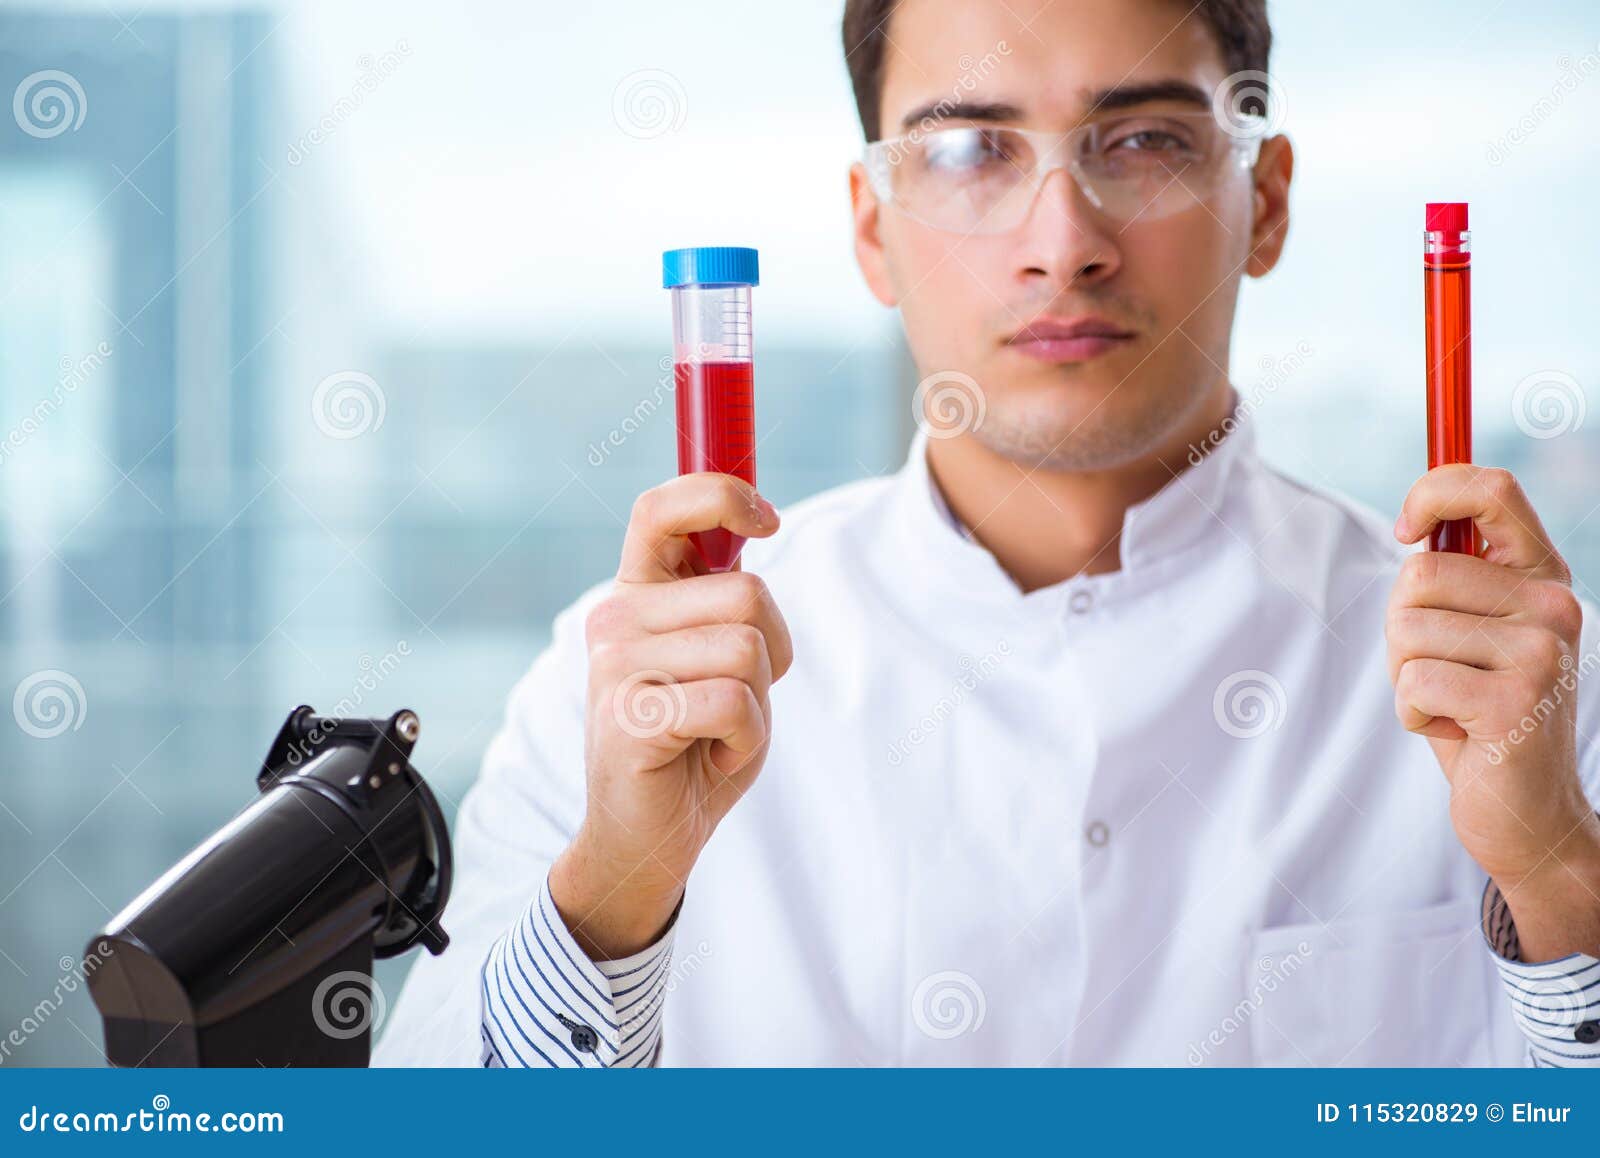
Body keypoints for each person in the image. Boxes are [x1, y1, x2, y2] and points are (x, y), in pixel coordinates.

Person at [377, 0, 1600, 1066]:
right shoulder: (623, 693)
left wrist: (1555, 873)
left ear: (1265, 202)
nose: (1062, 243)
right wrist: (612, 897)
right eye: (969, 149)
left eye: (1145, 140)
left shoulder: (1531, 689)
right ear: (871, 228)